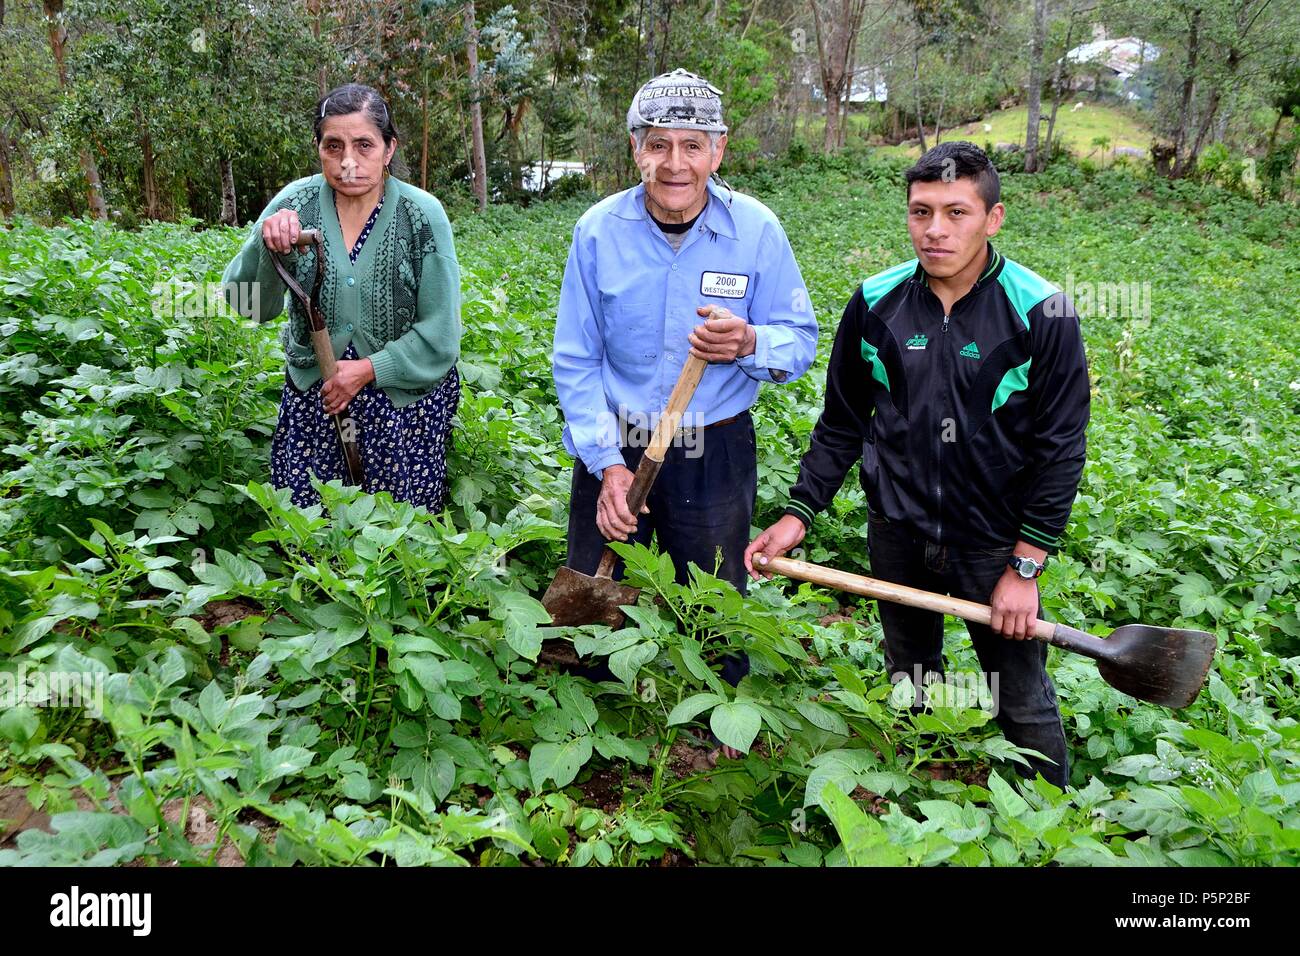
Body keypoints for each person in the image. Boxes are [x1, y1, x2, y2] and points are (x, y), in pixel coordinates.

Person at [746, 142, 1090, 789]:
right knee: (913, 672)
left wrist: (1026, 564)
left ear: (994, 218)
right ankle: (921, 788)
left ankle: (1052, 821)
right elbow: (843, 421)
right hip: (897, 532)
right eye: (920, 211)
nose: (935, 230)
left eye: (956, 212)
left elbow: (1061, 447)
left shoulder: (1044, 312)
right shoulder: (875, 304)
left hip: (992, 544)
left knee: (1019, 693)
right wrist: (799, 512)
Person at [552, 69, 818, 758]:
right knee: (596, 589)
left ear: (718, 151)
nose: (675, 163)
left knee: (713, 597)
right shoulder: (598, 231)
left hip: (714, 450)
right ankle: (601, 738)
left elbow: (801, 339)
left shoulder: (756, 231)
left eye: (692, 145)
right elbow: (576, 359)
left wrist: (749, 341)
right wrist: (607, 466)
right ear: (635, 148)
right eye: (659, 144)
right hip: (619, 447)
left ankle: (716, 731)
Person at [222, 82, 462, 511]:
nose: (348, 163)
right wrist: (266, 243)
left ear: (389, 149)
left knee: (392, 544)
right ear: (318, 147)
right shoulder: (293, 204)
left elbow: (441, 334)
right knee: (312, 533)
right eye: (333, 146)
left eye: (364, 146)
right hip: (317, 403)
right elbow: (248, 305)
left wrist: (369, 369)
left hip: (401, 409)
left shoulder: (422, 216)